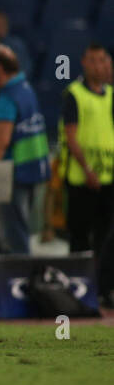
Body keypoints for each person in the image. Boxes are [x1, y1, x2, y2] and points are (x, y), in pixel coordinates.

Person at [0, 46, 50, 254]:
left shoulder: (7, 97)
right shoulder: (26, 88)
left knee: (14, 236)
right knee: (22, 229)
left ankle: (19, 280)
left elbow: (1, 141)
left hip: (13, 175)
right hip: (32, 171)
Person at [61, 44, 114, 253]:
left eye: (102, 60)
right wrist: (87, 168)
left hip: (108, 177)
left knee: (106, 239)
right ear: (83, 62)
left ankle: (103, 284)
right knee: (80, 239)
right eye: (92, 60)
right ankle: (80, 283)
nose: (97, 65)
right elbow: (71, 137)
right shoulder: (73, 94)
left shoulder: (111, 94)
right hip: (81, 179)